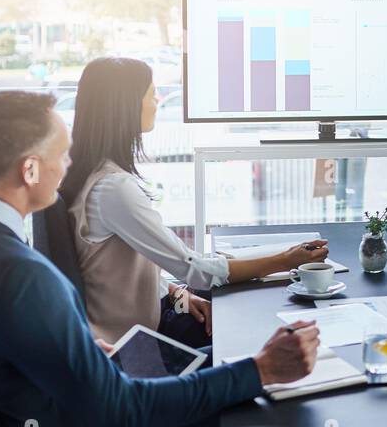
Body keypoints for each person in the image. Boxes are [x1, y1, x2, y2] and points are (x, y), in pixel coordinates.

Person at [0, 90, 320, 427]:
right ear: (29, 170)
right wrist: (261, 369)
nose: (68, 165)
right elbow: (123, 412)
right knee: (253, 408)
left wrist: (70, 349)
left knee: (214, 361)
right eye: (62, 154)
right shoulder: (23, 277)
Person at [58, 57, 328, 346]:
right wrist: (285, 261)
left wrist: (173, 291)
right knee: (255, 332)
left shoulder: (88, 173)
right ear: (127, 106)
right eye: (151, 93)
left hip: (150, 314)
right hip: (133, 343)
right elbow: (196, 271)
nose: (157, 100)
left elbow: (114, 269)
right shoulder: (113, 188)